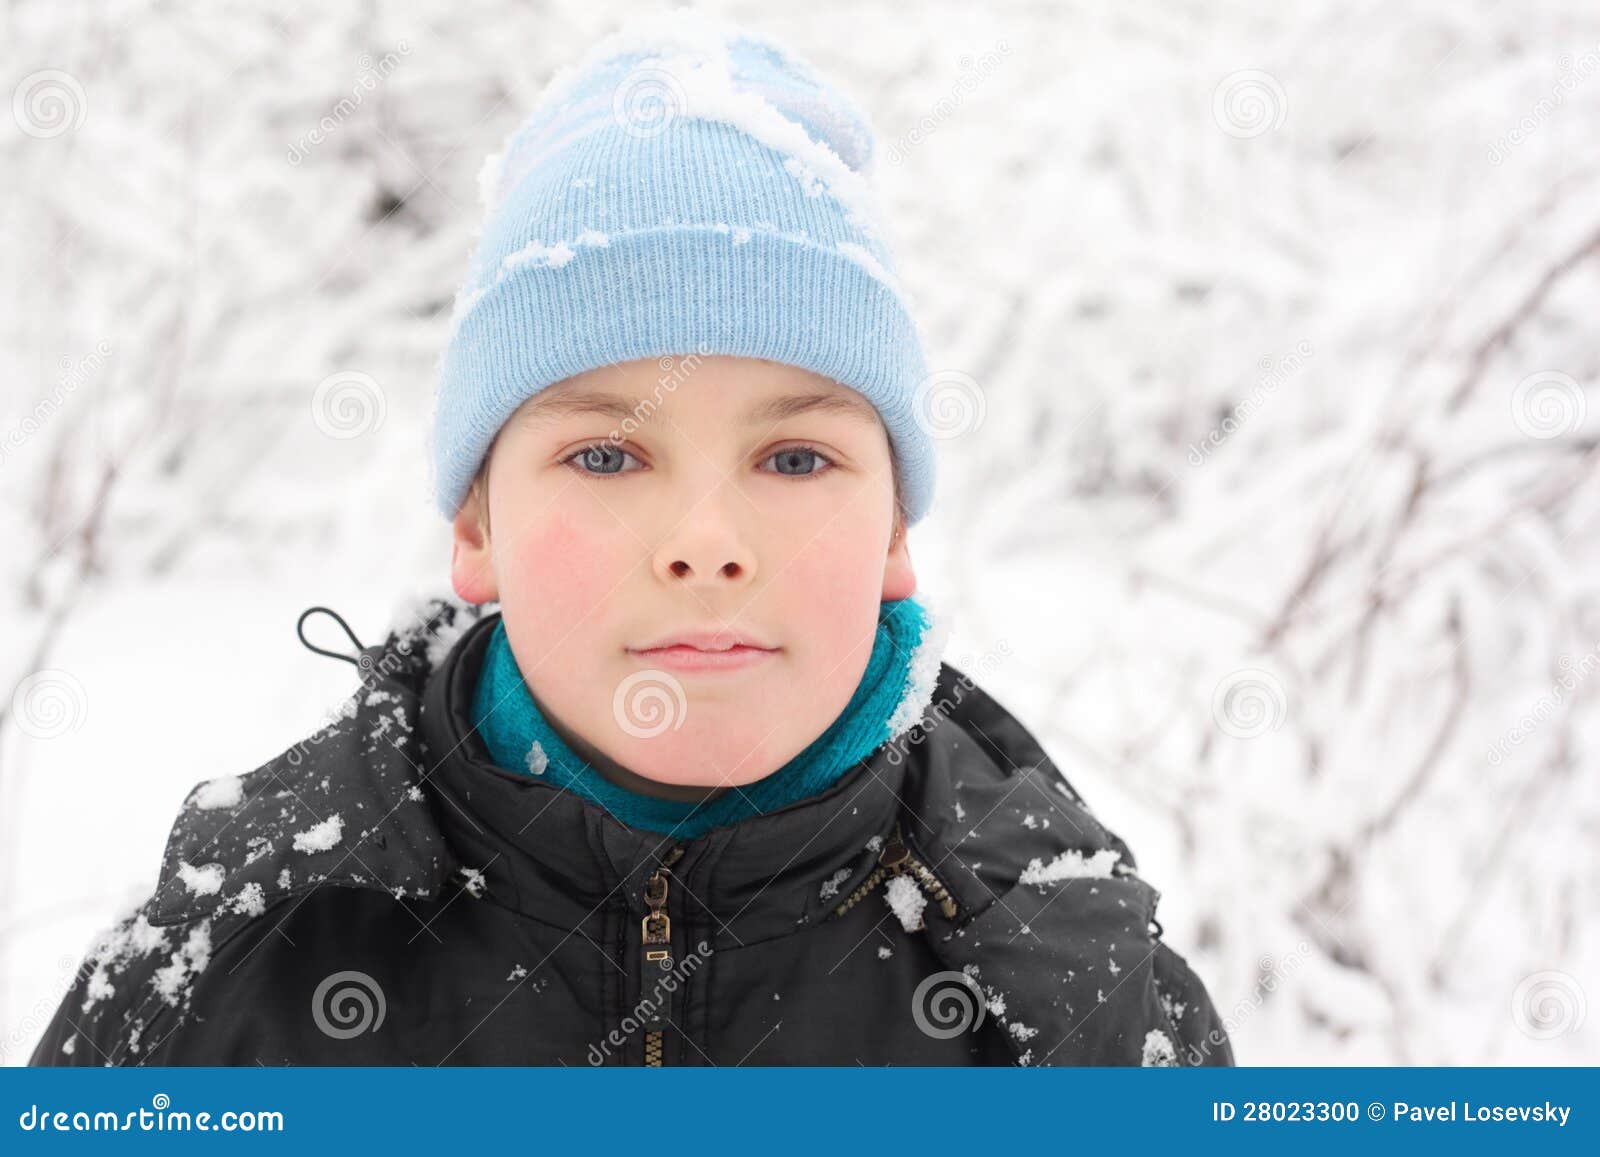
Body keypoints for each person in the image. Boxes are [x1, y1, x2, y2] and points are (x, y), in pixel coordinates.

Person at [30, 8, 1232, 1068]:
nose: (705, 544)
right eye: (607, 456)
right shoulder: (238, 957)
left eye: (795, 457)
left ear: (893, 537)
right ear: (476, 526)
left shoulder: (1079, 1011)